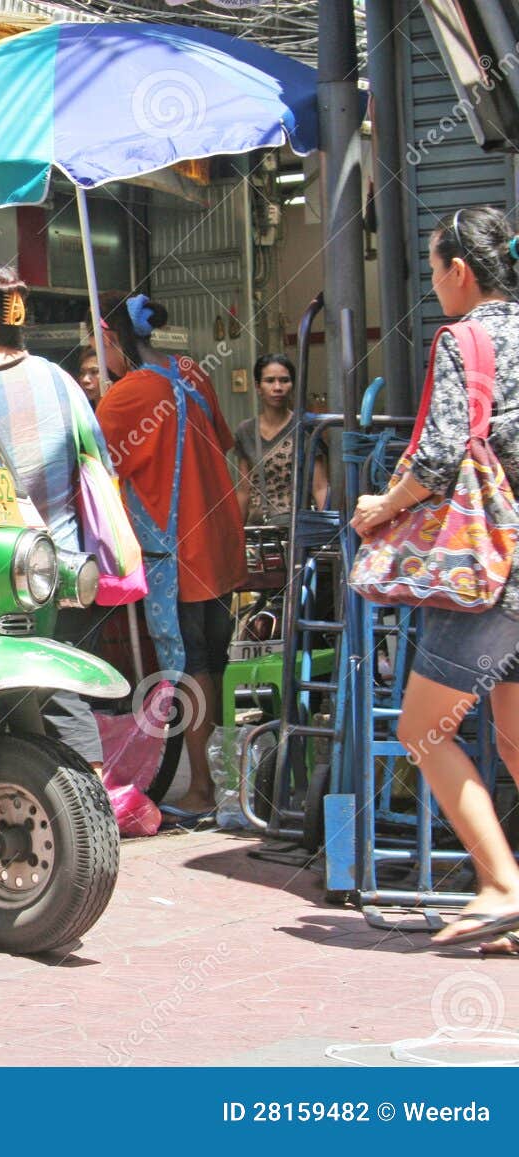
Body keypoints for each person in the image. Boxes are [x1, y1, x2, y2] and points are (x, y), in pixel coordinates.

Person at [351, 206, 519, 953]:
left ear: (460, 271)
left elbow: (443, 452)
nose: (433, 283)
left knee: (421, 726)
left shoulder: (467, 339)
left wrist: (380, 508)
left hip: (488, 574)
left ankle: (501, 883)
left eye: (432, 267)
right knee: (514, 736)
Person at [0, 262, 120, 772]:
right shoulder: (60, 381)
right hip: (63, 573)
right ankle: (92, 810)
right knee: (63, 696)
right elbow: (100, 465)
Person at [98, 291, 245, 819]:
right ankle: (227, 786)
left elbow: (91, 471)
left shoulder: (126, 397)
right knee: (216, 660)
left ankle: (203, 787)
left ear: (111, 338)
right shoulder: (190, 370)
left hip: (175, 552)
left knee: (191, 664)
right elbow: (223, 445)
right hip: (220, 544)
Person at [234, 353, 329, 524]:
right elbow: (243, 490)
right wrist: (235, 538)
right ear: (257, 386)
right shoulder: (246, 431)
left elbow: (320, 487)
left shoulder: (306, 428)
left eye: (284, 380)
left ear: (292, 385)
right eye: (270, 381)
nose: (277, 387)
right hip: (259, 534)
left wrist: (327, 536)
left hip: (297, 532)